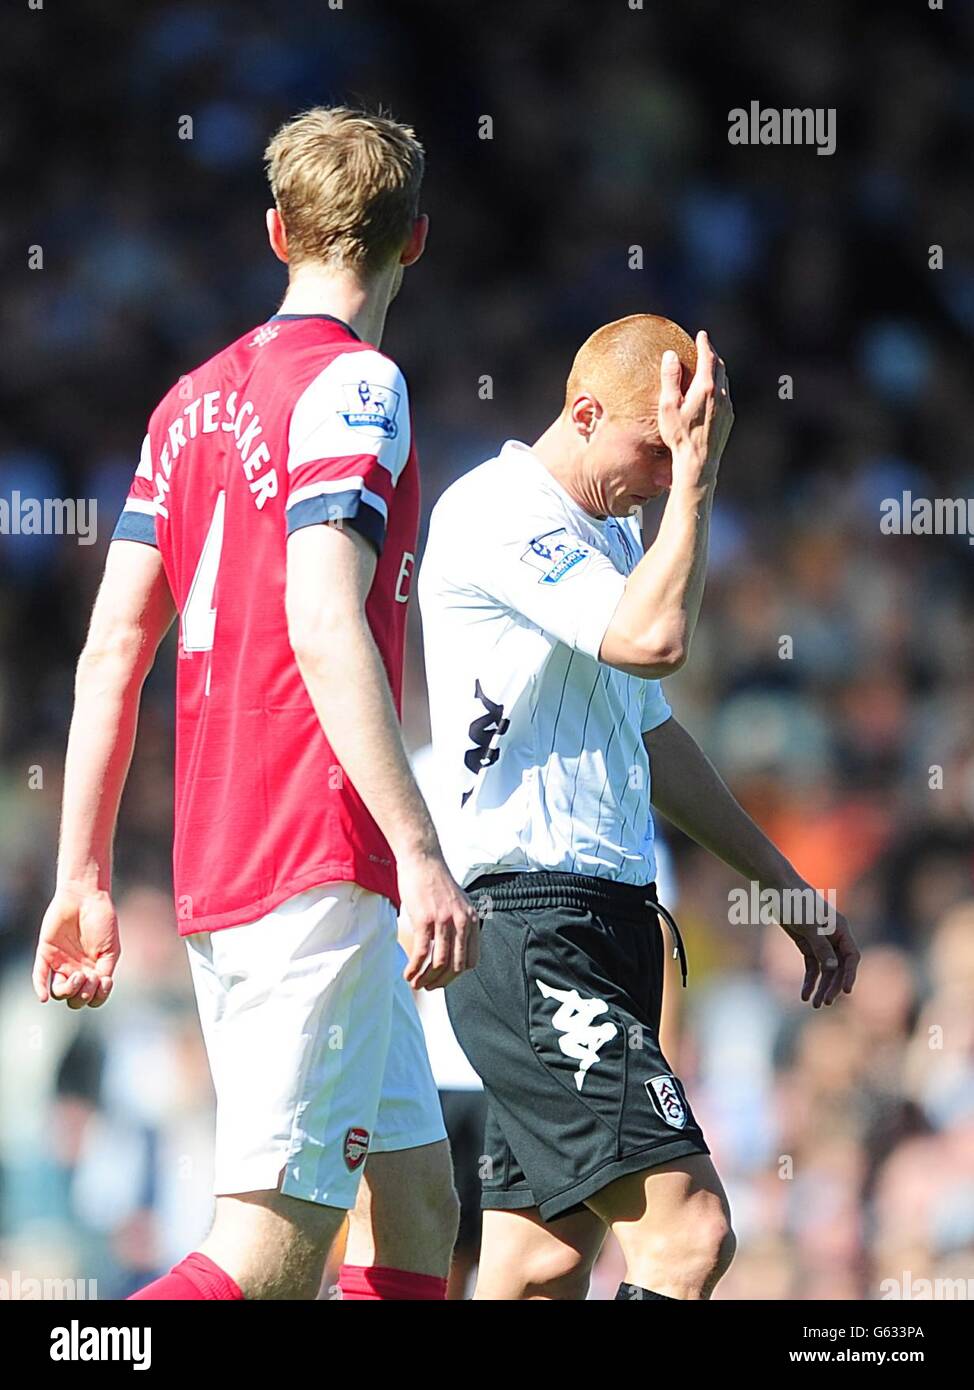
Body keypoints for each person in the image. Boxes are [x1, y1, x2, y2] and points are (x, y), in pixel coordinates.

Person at [31, 106, 478, 1302]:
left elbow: (113, 646)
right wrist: (422, 848)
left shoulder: (188, 403)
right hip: (312, 854)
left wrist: (79, 874)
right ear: (415, 243)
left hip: (228, 849)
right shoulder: (359, 384)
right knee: (271, 1256)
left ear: (276, 231)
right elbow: (326, 620)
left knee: (417, 1203)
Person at [418, 314, 860, 1300]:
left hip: (606, 929)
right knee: (691, 1236)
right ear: (582, 413)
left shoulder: (612, 534)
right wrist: (699, 483)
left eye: (679, 458)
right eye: (652, 450)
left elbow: (651, 736)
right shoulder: (497, 510)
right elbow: (656, 638)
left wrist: (780, 887)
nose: (664, 475)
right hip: (532, 936)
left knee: (534, 1272)